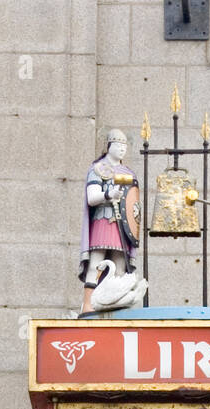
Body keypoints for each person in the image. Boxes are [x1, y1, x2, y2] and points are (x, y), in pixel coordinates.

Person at [79, 129, 138, 314]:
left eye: (124, 146)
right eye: (118, 145)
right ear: (109, 146)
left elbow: (133, 204)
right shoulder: (99, 169)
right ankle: (88, 303)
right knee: (97, 262)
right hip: (103, 219)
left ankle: (115, 303)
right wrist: (108, 194)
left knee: (120, 265)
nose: (122, 149)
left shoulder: (128, 172)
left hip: (122, 224)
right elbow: (91, 197)